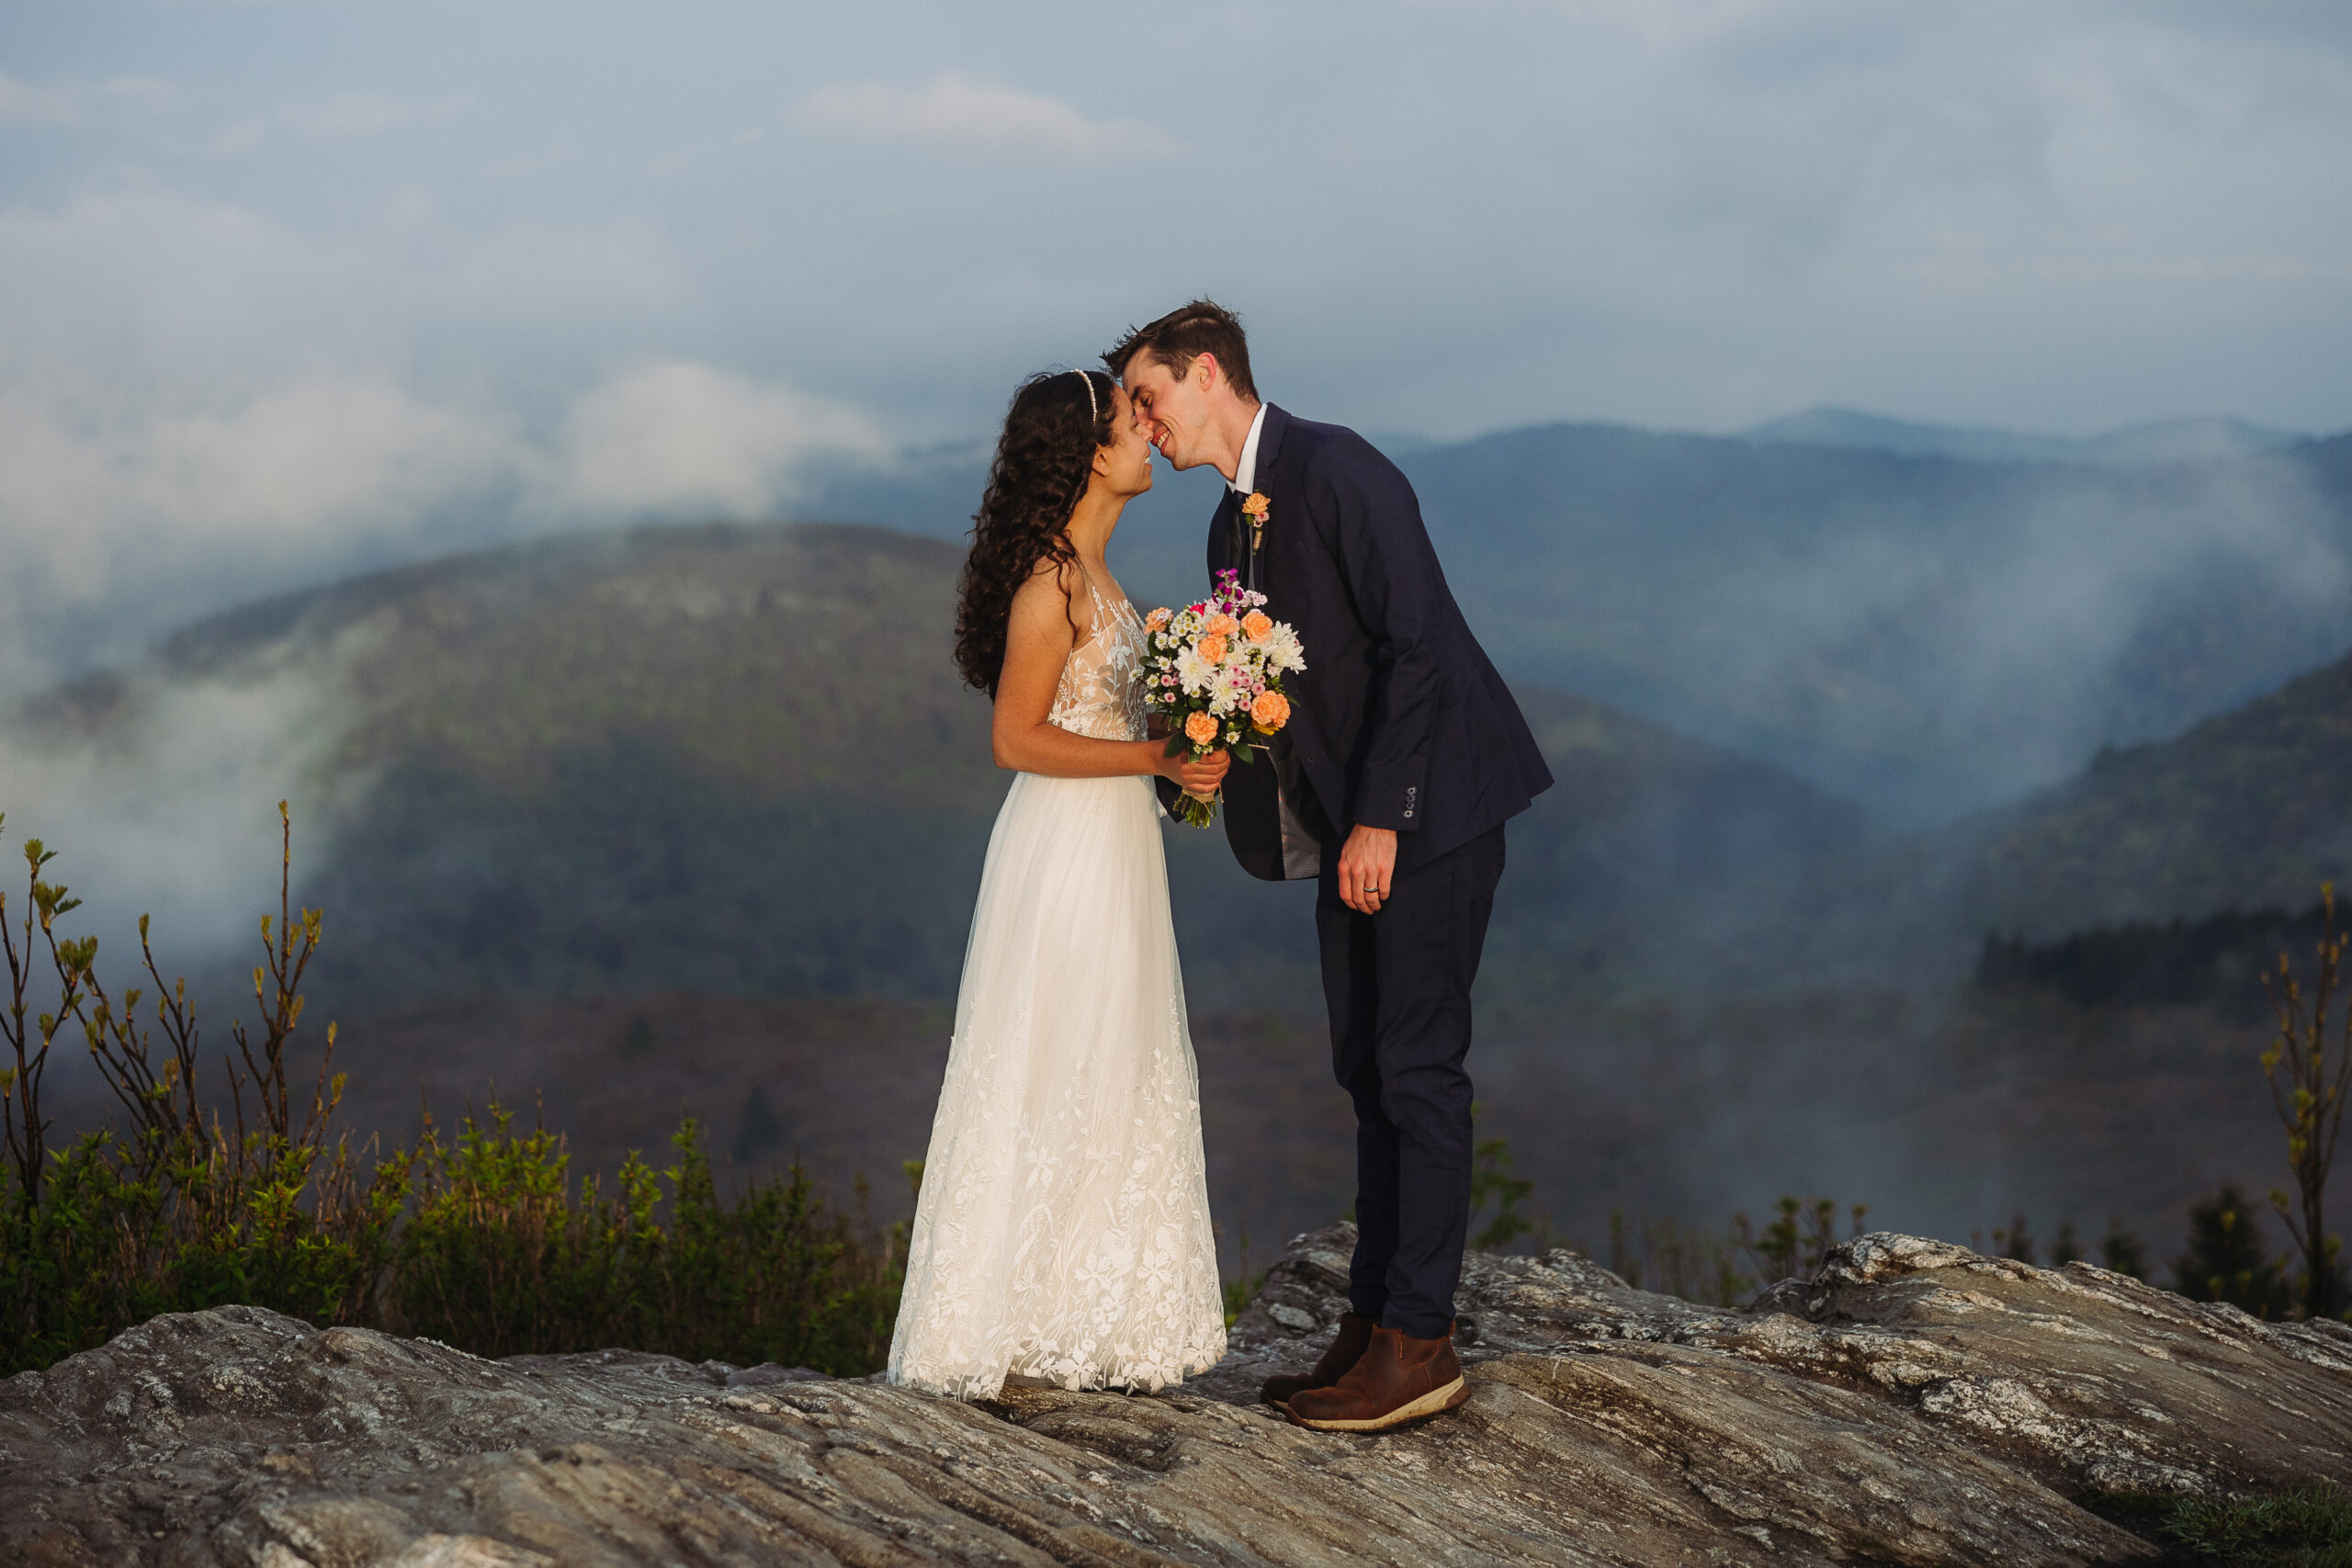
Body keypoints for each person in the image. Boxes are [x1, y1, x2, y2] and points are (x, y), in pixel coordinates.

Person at [1107, 301, 1554, 1432]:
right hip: (1354, 826)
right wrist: (1197, 752)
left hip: (1432, 812)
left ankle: (1421, 1341)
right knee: (1364, 1066)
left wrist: (1382, 821)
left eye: (1148, 398)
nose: (1144, 423)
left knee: (1418, 1069)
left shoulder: (1340, 469)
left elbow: (1418, 648)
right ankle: (1371, 1323)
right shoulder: (1229, 525)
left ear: (1207, 374)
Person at [887, 367, 1232, 1399]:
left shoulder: (1100, 572)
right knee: (1061, 1051)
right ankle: (1009, 1320)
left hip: (1115, 844)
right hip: (1067, 852)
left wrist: (1197, 723)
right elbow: (1016, 738)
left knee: (1113, 1053)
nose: (1148, 431)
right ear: (1086, 451)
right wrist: (1155, 758)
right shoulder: (1053, 579)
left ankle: (1086, 1316)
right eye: (1131, 419)